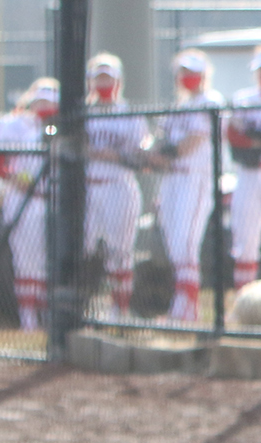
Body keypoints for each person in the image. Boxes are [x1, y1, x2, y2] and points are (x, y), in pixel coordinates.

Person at [155, 49, 223, 322]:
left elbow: (189, 144)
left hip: (195, 177)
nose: (187, 78)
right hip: (172, 178)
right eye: (183, 73)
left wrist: (159, 154)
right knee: (174, 244)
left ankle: (189, 308)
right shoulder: (178, 106)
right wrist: (152, 155)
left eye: (192, 73)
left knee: (186, 241)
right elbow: (161, 143)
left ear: (203, 75)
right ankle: (181, 305)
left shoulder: (210, 100)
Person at [0, 78, 58, 333]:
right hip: (23, 199)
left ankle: (48, 318)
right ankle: (28, 320)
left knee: (49, 261)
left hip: (54, 199)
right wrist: (15, 177)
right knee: (25, 260)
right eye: (40, 101)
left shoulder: (60, 127)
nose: (44, 107)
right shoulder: (12, 124)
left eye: (50, 103)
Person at [83, 53, 146, 317]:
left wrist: (112, 154)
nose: (103, 82)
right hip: (88, 187)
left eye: (108, 77)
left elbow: (141, 156)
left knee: (120, 250)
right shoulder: (83, 112)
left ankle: (120, 308)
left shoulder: (129, 113)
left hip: (119, 185)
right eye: (99, 77)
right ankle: (84, 306)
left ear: (118, 81)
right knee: (83, 250)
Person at [227, 46, 261, 290]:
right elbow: (233, 135)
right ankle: (244, 297)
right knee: (244, 236)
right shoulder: (245, 99)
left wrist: (255, 136)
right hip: (248, 172)